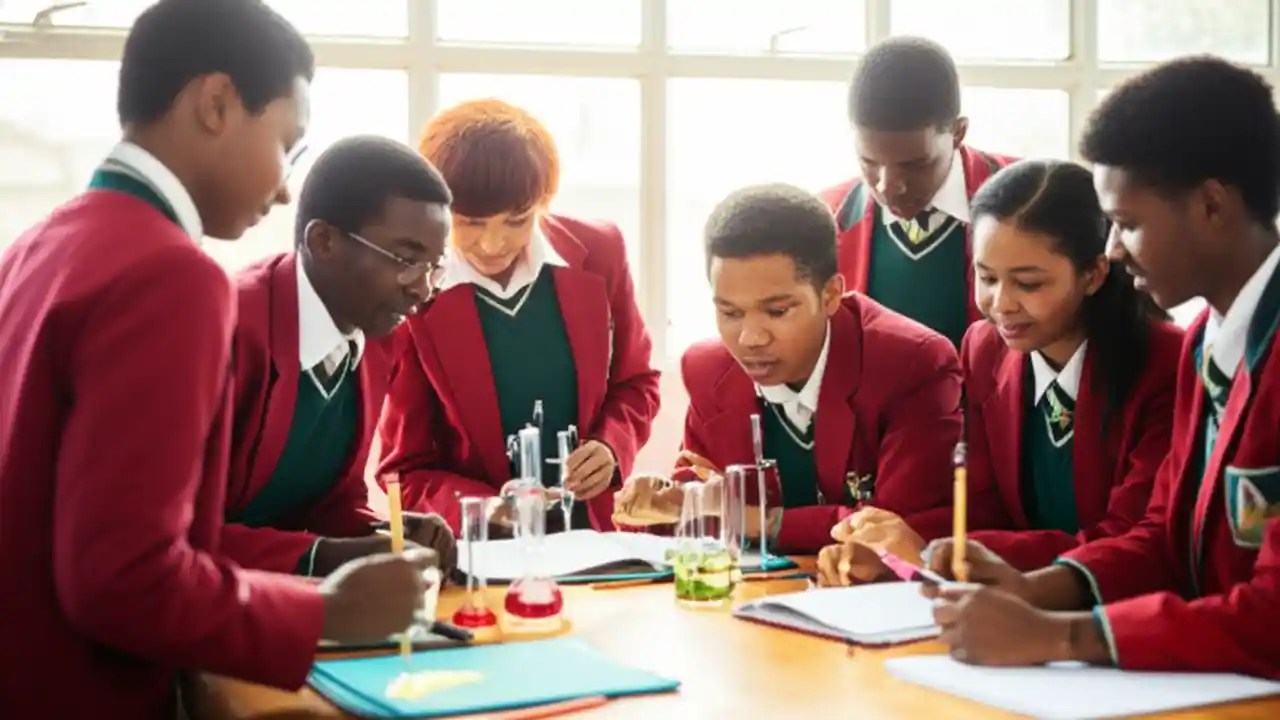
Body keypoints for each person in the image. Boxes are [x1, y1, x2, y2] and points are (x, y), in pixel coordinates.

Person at [0, 1, 435, 716]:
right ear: (217, 103)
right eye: (286, 145)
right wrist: (326, 614)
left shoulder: (43, 243)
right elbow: (123, 578)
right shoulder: (172, 274)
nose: (287, 186)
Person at [924, 56, 1280, 679]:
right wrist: (1035, 590)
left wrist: (1062, 637)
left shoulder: (1197, 350)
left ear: (1213, 207)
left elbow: (1270, 615)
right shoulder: (1209, 341)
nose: (1114, 250)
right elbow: (1162, 541)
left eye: (1127, 225)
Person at [816, 159, 1183, 584]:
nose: (1001, 304)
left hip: (1108, 613)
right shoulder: (984, 348)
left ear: (1093, 274)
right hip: (1011, 605)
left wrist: (932, 551)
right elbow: (982, 508)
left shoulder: (1166, 364)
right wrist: (891, 549)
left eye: (1028, 284)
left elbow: (1126, 541)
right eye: (986, 277)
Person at [615, 183, 1004, 555]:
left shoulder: (913, 363)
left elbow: (894, 530)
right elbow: (696, 509)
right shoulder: (709, 369)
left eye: (777, 311)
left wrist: (747, 518)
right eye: (729, 312)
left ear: (831, 294)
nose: (750, 337)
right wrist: (663, 500)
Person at [378, 99, 660, 532]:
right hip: (482, 554)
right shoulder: (409, 290)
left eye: (517, 220)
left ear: (543, 202)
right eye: (469, 222)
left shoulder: (600, 253)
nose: (493, 244)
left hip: (596, 543)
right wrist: (487, 510)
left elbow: (636, 382)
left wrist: (611, 447)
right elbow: (405, 469)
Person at [223, 135, 458, 576]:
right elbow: (174, 536)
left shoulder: (379, 332)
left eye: (434, 267)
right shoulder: (225, 332)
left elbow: (332, 504)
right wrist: (323, 556)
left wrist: (384, 532)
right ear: (324, 241)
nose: (423, 289)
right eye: (406, 259)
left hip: (286, 598)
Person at [818, 36, 1015, 348]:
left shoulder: (1034, 200)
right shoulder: (823, 219)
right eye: (869, 161)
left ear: (957, 132)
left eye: (914, 164)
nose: (887, 186)